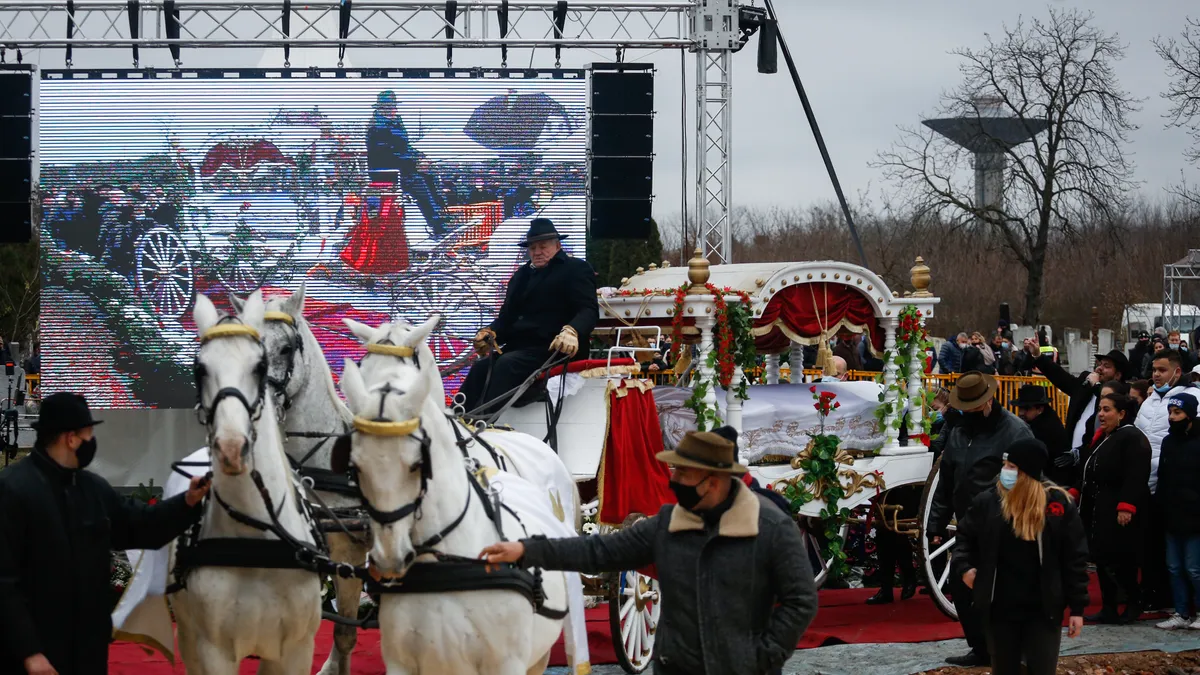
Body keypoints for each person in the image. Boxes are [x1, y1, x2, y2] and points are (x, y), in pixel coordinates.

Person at [480, 430, 818, 675]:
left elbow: (801, 599)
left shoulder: (771, 527)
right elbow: (597, 551)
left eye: (683, 473)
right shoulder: (668, 524)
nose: (673, 479)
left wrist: (764, 656)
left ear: (713, 481)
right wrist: (526, 549)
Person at [0, 393, 210, 675]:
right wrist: (30, 653)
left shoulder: (93, 489)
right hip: (36, 657)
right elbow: (4, 583)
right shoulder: (12, 490)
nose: (92, 439)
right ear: (71, 438)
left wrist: (187, 502)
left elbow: (140, 525)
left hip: (88, 652)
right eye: (89, 432)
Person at [953, 439, 1089, 675]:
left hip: (1043, 611)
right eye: (1005, 464)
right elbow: (963, 538)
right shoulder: (988, 502)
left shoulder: (1057, 505)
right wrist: (965, 568)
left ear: (1027, 472)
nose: (1005, 471)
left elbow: (1074, 559)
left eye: (1012, 466)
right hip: (1000, 610)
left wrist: (1077, 608)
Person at [927, 371, 1034, 667]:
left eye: (973, 407)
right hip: (967, 525)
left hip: (1005, 524)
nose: (968, 412)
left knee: (1005, 592)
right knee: (963, 590)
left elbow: (1031, 479)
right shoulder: (960, 433)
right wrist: (936, 524)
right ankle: (980, 648)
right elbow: (946, 482)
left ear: (987, 402)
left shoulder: (1015, 431)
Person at [460, 218, 599, 416]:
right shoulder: (520, 276)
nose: (537, 252)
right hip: (521, 349)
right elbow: (506, 318)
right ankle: (457, 420)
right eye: (532, 248)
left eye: (543, 246)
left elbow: (588, 310)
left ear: (558, 245)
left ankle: (484, 421)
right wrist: (490, 333)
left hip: (554, 348)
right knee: (480, 368)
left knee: (507, 365)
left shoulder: (576, 269)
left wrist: (572, 330)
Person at [1079, 393, 1151, 624]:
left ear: (1121, 414)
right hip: (1101, 507)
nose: (1101, 414)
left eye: (1107, 409)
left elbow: (1136, 474)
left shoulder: (1131, 437)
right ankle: (1109, 607)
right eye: (1100, 409)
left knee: (1122, 559)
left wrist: (1126, 506)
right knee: (1101, 557)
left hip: (1120, 508)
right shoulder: (1105, 437)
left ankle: (1132, 603)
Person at [1022, 341, 1128, 487]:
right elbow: (1062, 378)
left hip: (1095, 464)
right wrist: (1038, 356)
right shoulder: (1085, 386)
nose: (1100, 369)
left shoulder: (1119, 396)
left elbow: (1107, 401)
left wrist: (1096, 386)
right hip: (1071, 462)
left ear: (1117, 375)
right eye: (1100, 364)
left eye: (1106, 366)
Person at [1135, 348, 1193, 610]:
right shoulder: (1148, 402)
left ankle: (1184, 602)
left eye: (1162, 370)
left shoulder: (1192, 398)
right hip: (1145, 484)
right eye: (1154, 370)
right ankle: (1154, 593)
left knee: (1184, 558)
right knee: (1152, 549)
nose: (1156, 375)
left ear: (1177, 372)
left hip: (1175, 487)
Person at [364, 89, 451, 237]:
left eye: (394, 106)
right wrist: (415, 162)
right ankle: (437, 224)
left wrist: (421, 157)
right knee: (418, 183)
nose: (394, 109)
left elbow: (405, 147)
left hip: (402, 166)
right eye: (390, 107)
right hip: (386, 171)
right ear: (381, 108)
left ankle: (440, 215)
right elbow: (387, 154)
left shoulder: (397, 122)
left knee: (430, 176)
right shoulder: (376, 127)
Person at [1154, 392, 1200, 630]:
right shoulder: (1168, 442)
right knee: (1174, 567)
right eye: (1170, 412)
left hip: (1194, 517)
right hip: (1172, 515)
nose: (1172, 417)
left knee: (1194, 568)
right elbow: (1163, 475)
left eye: (1178, 413)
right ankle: (1181, 612)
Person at [1012, 384, 1074, 488]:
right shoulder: (1042, 420)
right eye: (1020, 408)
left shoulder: (1044, 428)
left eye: (1026, 408)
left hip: (1053, 482)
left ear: (1039, 409)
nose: (1021, 412)